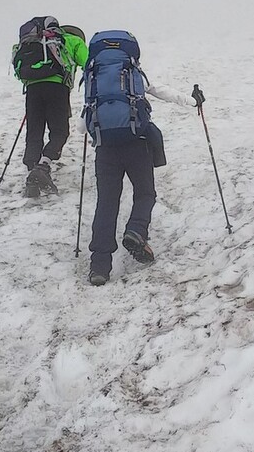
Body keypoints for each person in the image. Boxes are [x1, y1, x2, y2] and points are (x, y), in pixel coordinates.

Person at [84, 31, 186, 286]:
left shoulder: (94, 78)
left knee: (107, 202)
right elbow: (160, 91)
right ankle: (136, 230)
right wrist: (192, 101)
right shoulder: (134, 74)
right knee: (145, 193)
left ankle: (99, 266)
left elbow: (81, 122)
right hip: (136, 144)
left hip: (105, 147)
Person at [12, 17, 89, 197]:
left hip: (32, 88)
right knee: (60, 131)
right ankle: (43, 166)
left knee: (34, 131)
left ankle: (32, 169)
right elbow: (89, 63)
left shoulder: (36, 41)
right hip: (57, 89)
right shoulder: (71, 41)